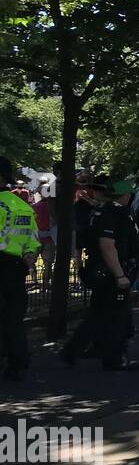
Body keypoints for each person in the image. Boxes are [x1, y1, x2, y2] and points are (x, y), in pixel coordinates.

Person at [60, 178, 139, 371]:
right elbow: (108, 245)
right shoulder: (112, 214)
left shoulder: (103, 212)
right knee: (117, 318)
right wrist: (120, 275)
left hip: (104, 271)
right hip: (111, 272)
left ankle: (72, 350)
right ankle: (113, 358)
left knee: (97, 314)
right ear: (125, 195)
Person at [0, 157, 39, 380]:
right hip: (17, 267)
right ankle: (18, 360)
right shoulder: (23, 207)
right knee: (13, 317)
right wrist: (29, 254)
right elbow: (32, 239)